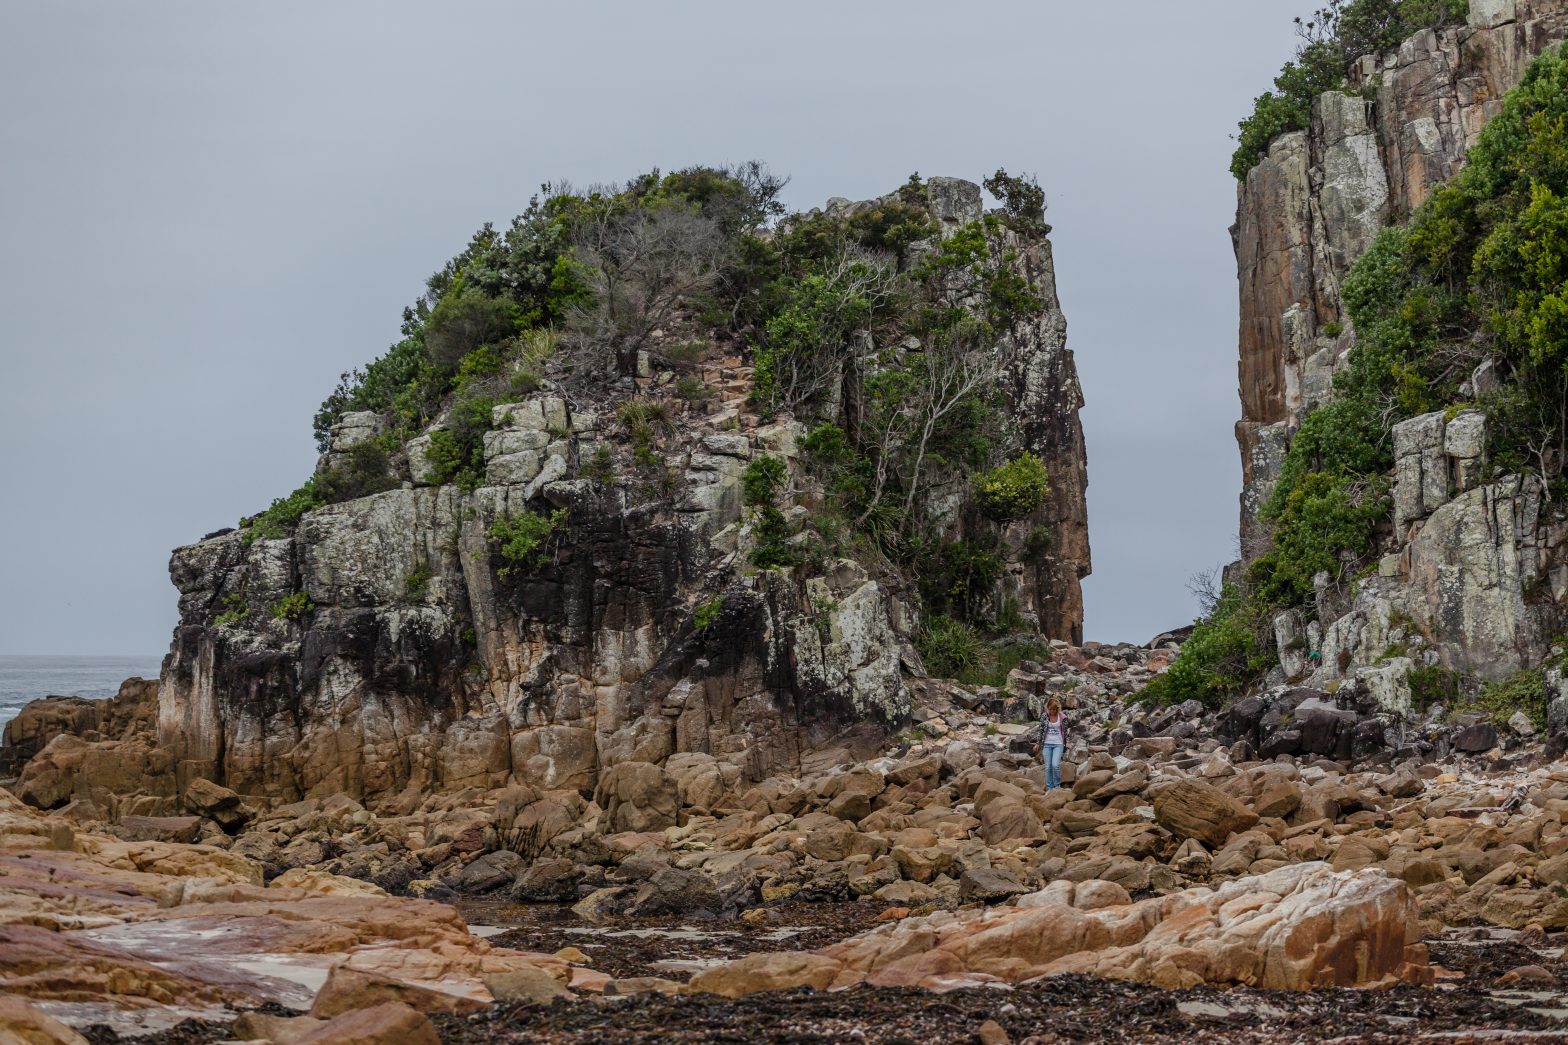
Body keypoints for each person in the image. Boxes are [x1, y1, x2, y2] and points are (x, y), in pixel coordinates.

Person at [1035, 697, 1066, 790]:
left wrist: (1067, 742)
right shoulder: (1044, 716)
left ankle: (1057, 786)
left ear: (1057, 709)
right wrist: (1038, 743)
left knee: (1055, 765)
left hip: (1058, 744)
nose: (1051, 711)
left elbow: (1065, 731)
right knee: (1048, 767)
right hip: (1047, 744)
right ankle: (1050, 788)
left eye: (1053, 709)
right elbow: (1040, 730)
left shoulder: (1063, 717)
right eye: (1050, 709)